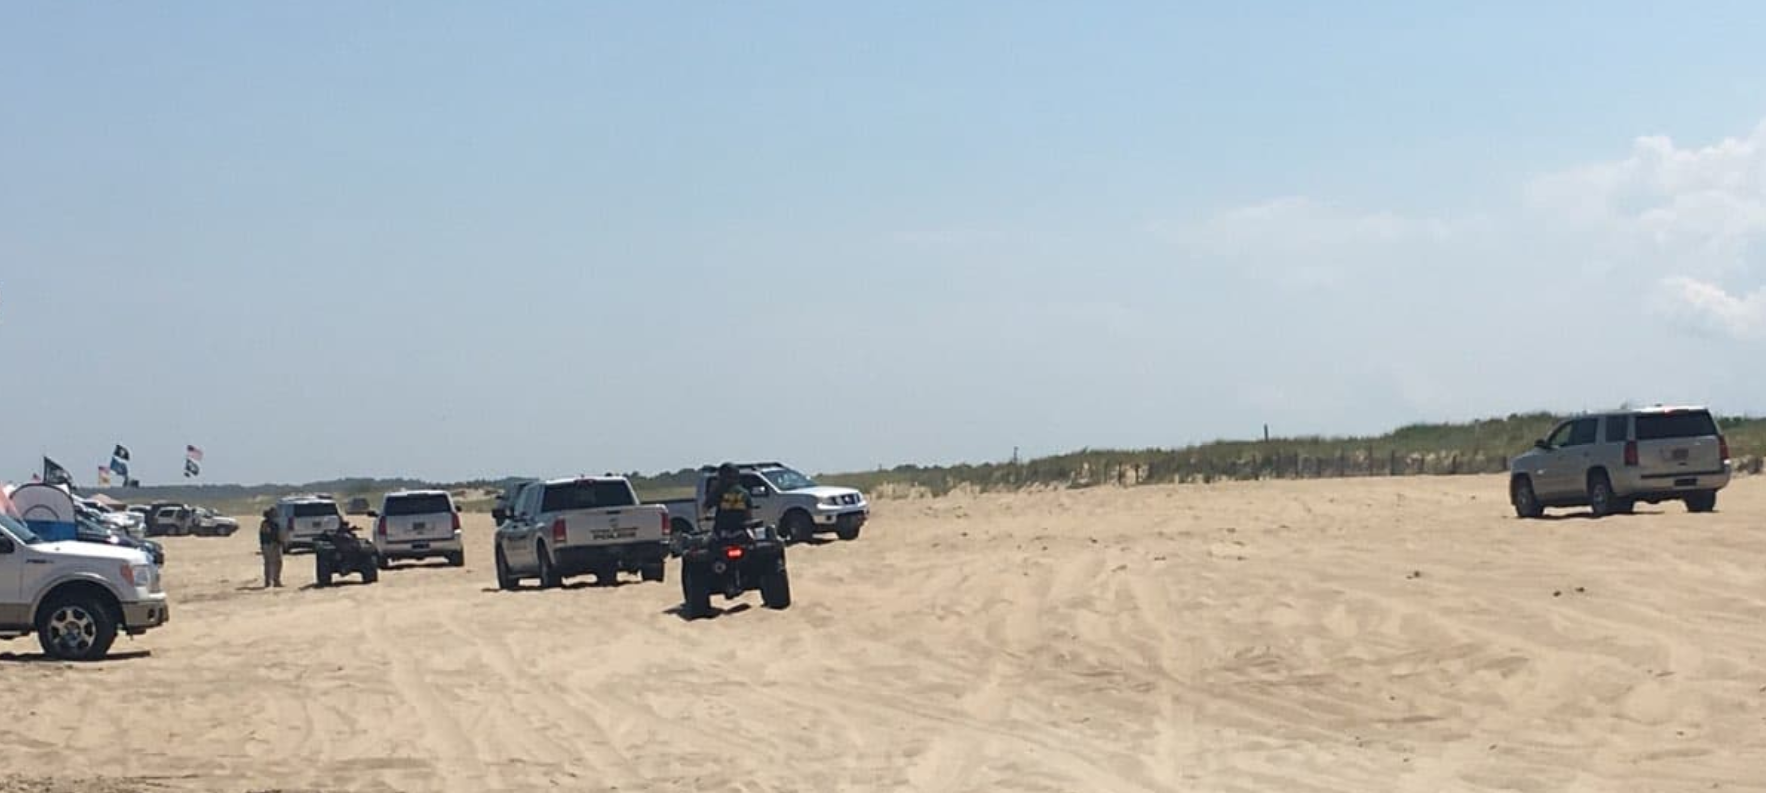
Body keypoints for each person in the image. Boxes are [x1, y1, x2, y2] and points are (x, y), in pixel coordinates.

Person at [702, 462, 754, 541]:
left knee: (706, 544)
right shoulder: (744, 493)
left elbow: (704, 509)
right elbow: (749, 514)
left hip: (721, 533)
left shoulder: (717, 492)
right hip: (741, 532)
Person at [258, 507, 285, 588]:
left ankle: (272, 581)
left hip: (270, 544)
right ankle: (272, 581)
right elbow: (268, 534)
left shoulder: (270, 523)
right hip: (271, 544)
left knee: (273, 563)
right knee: (272, 563)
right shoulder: (268, 523)